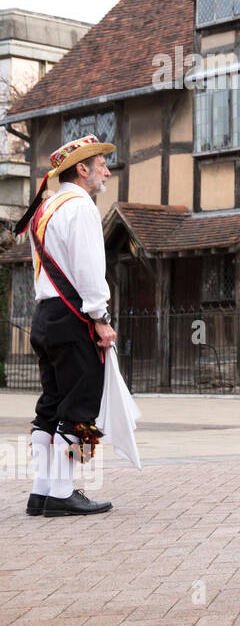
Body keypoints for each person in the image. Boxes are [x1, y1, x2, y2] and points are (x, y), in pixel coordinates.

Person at [16, 136, 118, 517]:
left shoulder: (44, 209)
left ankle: (41, 492)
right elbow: (90, 269)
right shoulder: (81, 207)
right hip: (73, 316)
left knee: (51, 405)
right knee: (80, 405)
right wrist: (100, 318)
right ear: (82, 169)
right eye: (101, 164)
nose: (106, 171)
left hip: (45, 315)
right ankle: (61, 493)